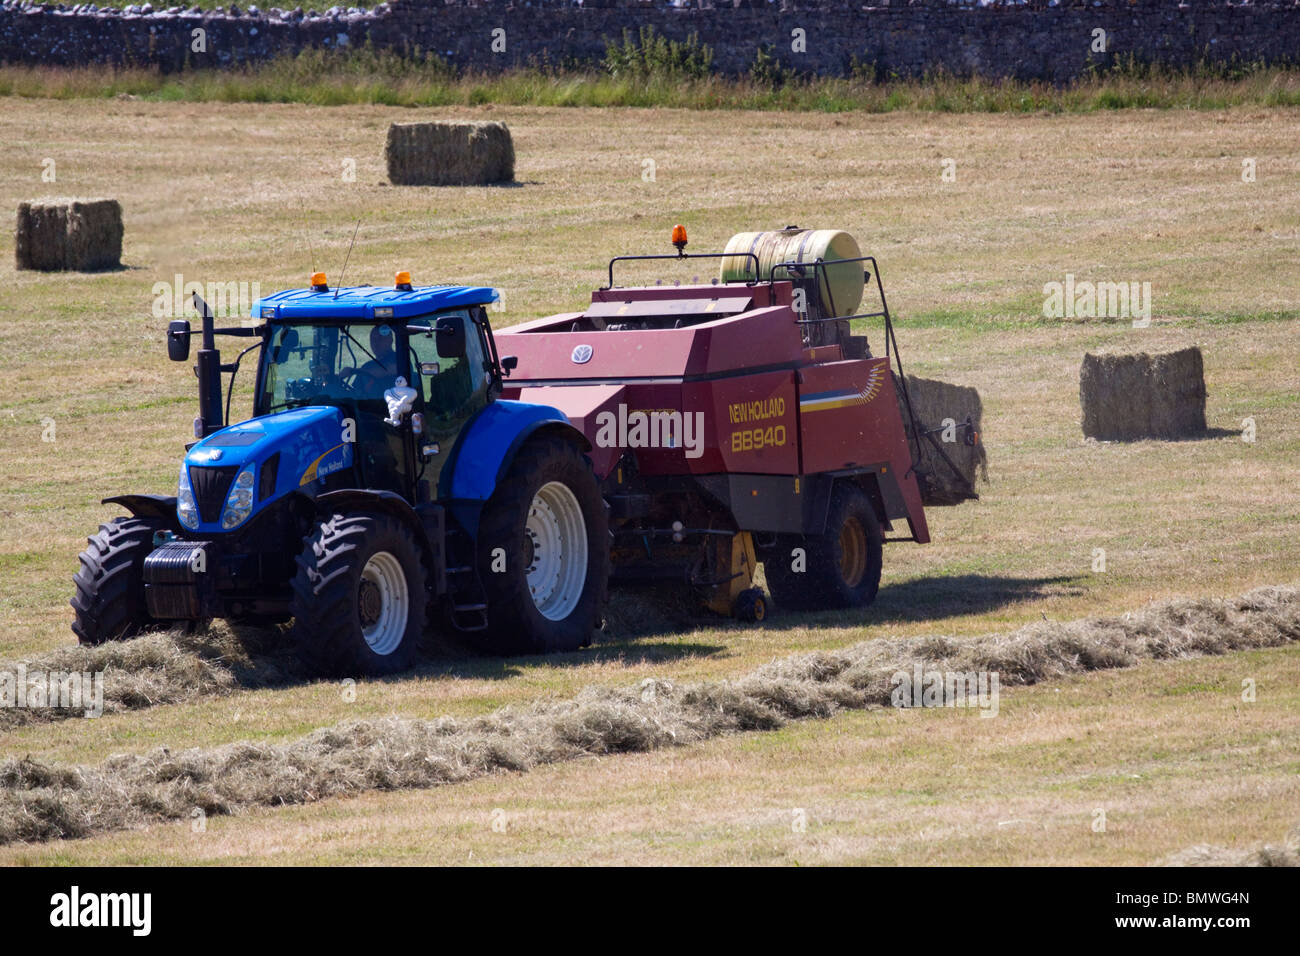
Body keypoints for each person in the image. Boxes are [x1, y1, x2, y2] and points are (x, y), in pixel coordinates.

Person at [354, 325, 401, 396]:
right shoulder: (367, 366)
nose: (375, 343)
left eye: (380, 339)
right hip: (367, 405)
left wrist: (352, 371)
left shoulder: (400, 359)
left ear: (390, 340)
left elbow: (386, 370)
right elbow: (356, 392)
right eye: (373, 339)